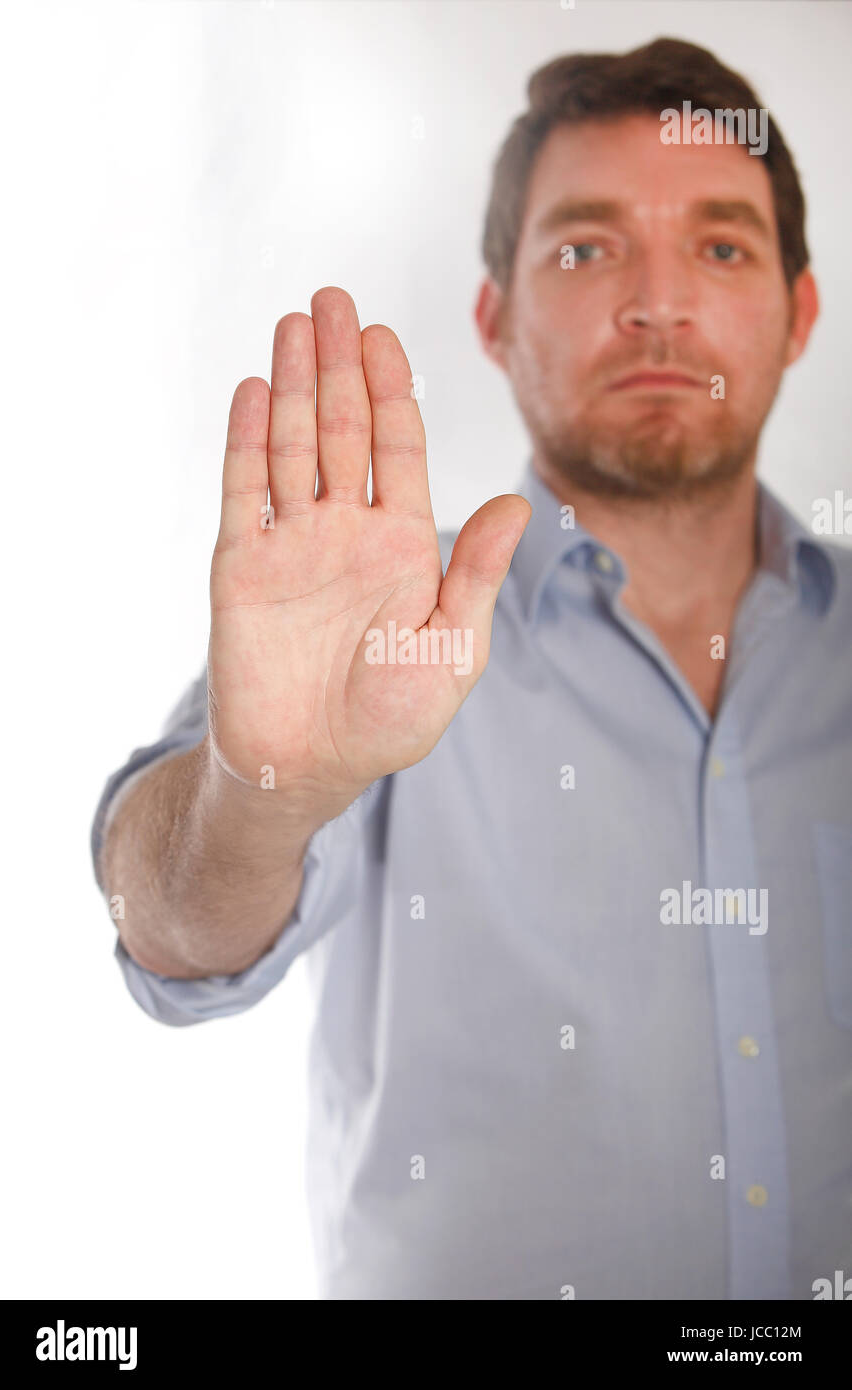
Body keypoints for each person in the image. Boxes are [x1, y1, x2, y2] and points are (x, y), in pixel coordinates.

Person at [90, 37, 852, 1300]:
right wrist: (264, 783)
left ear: (798, 312)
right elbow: (167, 928)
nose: (654, 302)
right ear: (494, 318)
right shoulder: (378, 623)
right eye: (584, 247)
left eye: (718, 246)